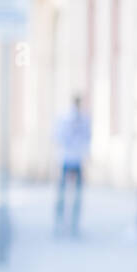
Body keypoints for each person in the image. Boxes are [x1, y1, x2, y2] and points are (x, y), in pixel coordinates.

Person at [54, 95, 91, 235]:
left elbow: (58, 137)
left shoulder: (77, 119)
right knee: (67, 194)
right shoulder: (68, 118)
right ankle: (65, 223)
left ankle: (68, 223)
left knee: (71, 194)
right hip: (70, 158)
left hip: (71, 158)